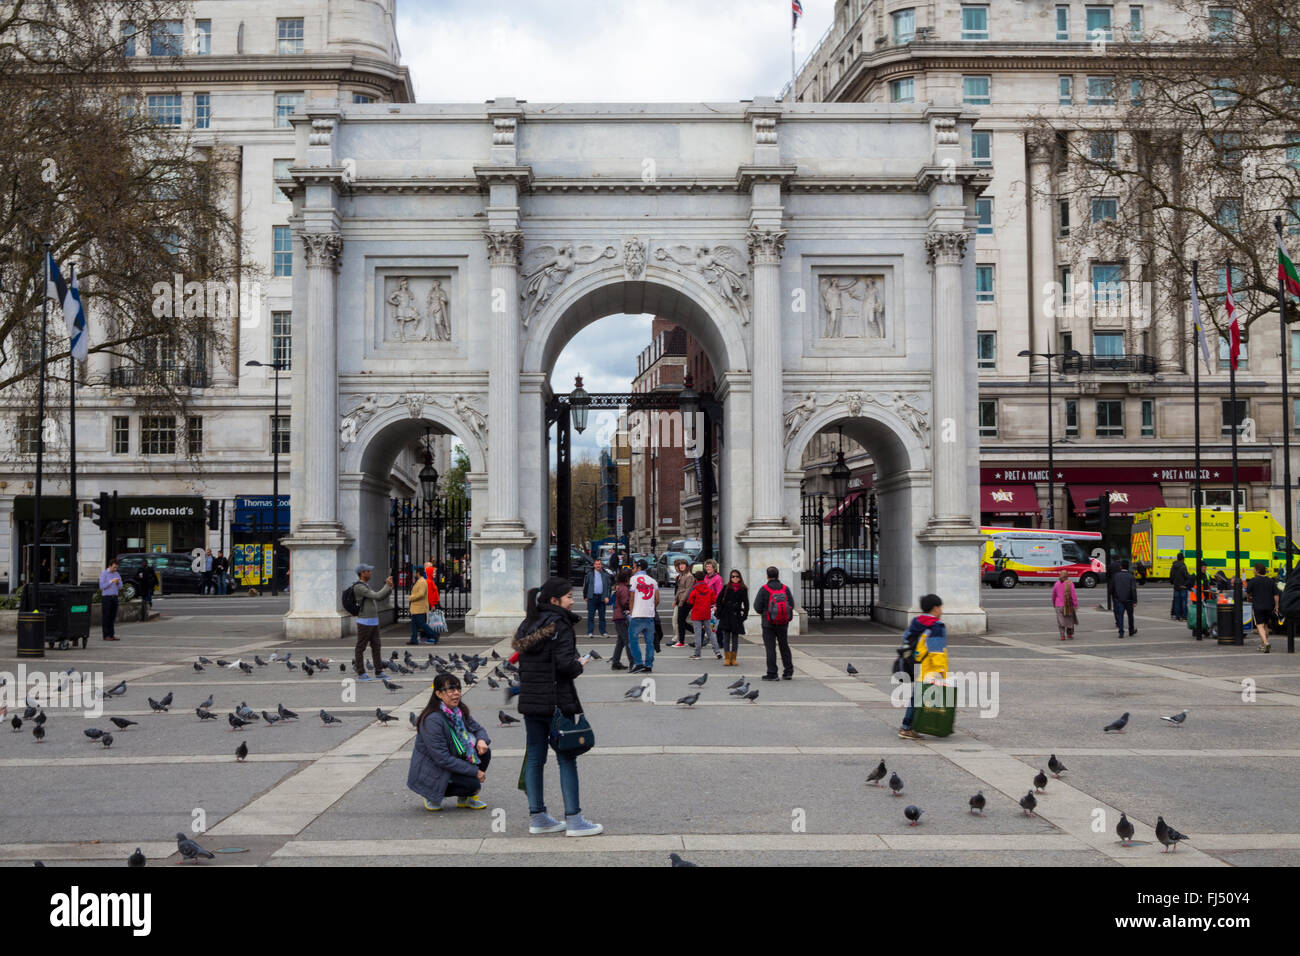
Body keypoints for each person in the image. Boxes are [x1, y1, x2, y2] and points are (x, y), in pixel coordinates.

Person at [513, 576, 602, 836]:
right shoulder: (560, 624)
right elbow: (565, 665)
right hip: (556, 700)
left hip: (531, 701)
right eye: (569, 597)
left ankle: (537, 816)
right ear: (555, 600)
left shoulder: (527, 624)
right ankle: (574, 818)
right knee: (566, 758)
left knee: (535, 757)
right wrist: (579, 664)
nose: (573, 602)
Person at [408, 673, 491, 811]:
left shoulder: (458, 711)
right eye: (451, 690)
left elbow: (478, 729)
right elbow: (442, 758)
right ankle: (430, 793)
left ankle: (465, 798)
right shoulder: (432, 720)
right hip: (433, 770)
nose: (456, 693)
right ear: (439, 694)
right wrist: (474, 771)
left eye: (458, 689)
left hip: (450, 760)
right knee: (473, 784)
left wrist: (482, 740)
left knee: (484, 752)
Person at [897, 594, 945, 740]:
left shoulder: (916, 621)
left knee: (918, 697)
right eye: (940, 607)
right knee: (920, 698)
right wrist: (940, 670)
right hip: (931, 667)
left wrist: (918, 651)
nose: (942, 610)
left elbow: (906, 637)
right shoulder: (936, 626)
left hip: (920, 663)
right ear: (935, 608)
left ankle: (910, 726)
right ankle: (908, 727)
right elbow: (936, 650)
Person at [350, 563, 394, 680]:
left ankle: (379, 671)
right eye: (368, 571)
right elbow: (377, 596)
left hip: (373, 621)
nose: (370, 573)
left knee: (376, 646)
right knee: (361, 647)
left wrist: (389, 588)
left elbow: (379, 597)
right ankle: (361, 672)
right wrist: (386, 585)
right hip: (364, 622)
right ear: (362, 573)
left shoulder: (366, 585)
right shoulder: (359, 587)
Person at [752, 566, 796, 681]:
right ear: (778, 575)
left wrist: (765, 612)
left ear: (767, 576)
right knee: (784, 646)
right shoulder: (785, 588)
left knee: (770, 648)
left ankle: (772, 673)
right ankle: (788, 671)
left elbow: (757, 607)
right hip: (783, 622)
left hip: (768, 623)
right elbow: (791, 604)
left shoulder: (764, 589)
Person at [627, 559, 659, 674]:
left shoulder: (634, 579)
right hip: (649, 615)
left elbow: (631, 596)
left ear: (639, 568)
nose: (633, 569)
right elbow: (657, 599)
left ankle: (639, 663)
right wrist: (651, 607)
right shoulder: (653, 581)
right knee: (649, 642)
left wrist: (631, 611)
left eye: (634, 567)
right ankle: (649, 665)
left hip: (637, 614)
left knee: (633, 640)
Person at [687, 569, 722, 661]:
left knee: (698, 635)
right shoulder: (709, 589)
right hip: (706, 613)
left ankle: (697, 653)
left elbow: (690, 601)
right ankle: (717, 652)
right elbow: (713, 600)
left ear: (695, 578)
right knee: (710, 633)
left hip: (696, 614)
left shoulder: (694, 589)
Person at [716, 569, 749, 666]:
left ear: (740, 578)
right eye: (733, 576)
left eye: (737, 576)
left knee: (735, 638)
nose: (735, 578)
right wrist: (720, 611)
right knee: (726, 637)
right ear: (730, 578)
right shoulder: (726, 587)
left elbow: (746, 603)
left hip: (737, 615)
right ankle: (727, 658)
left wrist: (745, 615)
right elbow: (718, 599)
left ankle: (733, 658)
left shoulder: (743, 588)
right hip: (726, 615)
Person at [1247, 563, 1278, 653]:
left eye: (1254, 569)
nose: (1253, 571)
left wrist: (1249, 598)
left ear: (1257, 571)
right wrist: (1276, 606)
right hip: (1269, 606)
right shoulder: (1270, 581)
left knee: (1259, 625)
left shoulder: (1253, 581)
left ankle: (1265, 642)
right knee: (1266, 626)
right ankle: (1262, 645)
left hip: (1258, 606)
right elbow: (1276, 595)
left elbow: (1248, 593)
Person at [408, 562, 441, 645]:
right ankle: (414, 639)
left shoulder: (422, 582)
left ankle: (434, 635)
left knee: (421, 624)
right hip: (416, 607)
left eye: (415, 572)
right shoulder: (420, 581)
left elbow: (421, 594)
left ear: (418, 573)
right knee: (414, 624)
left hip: (419, 607)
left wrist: (411, 597)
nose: (414, 574)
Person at [582, 558, 612, 638]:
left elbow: (609, 587)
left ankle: (603, 632)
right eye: (596, 564)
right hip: (592, 597)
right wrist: (585, 596)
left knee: (602, 616)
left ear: (601, 565)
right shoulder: (589, 574)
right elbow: (586, 586)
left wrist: (607, 596)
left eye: (599, 564)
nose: (598, 565)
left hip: (602, 597)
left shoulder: (605, 575)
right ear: (594, 565)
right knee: (591, 616)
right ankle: (590, 632)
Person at [610, 568, 634, 670]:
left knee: (620, 641)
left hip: (618, 616)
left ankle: (615, 662)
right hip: (622, 617)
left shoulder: (621, 587)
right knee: (628, 641)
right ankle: (633, 662)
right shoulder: (624, 588)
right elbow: (625, 603)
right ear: (627, 578)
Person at [1110, 559, 1137, 639]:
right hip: (1129, 599)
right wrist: (1135, 600)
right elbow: (1133, 589)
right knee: (1130, 616)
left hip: (1119, 599)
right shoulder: (1131, 576)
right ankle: (1131, 630)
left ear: (1121, 566)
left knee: (1120, 615)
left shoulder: (1116, 576)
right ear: (1128, 567)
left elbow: (1112, 588)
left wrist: (1114, 597)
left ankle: (1121, 632)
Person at [99, 559, 123, 642]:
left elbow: (121, 586)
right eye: (114, 567)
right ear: (110, 566)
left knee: (112, 617)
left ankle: (111, 634)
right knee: (106, 616)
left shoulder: (117, 574)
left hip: (114, 597)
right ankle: (106, 635)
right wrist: (111, 581)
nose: (115, 569)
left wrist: (117, 583)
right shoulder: (104, 574)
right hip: (107, 597)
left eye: (116, 568)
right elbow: (101, 587)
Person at [1051, 569, 1078, 640]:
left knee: (1061, 621)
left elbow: (1053, 595)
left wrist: (1054, 603)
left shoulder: (1056, 584)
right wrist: (1075, 604)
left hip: (1058, 605)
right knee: (1069, 619)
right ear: (1067, 576)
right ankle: (1069, 634)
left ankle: (1062, 635)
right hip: (1068, 605)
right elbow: (1073, 595)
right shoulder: (1070, 583)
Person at [672, 557, 693, 648]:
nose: (681, 566)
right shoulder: (681, 575)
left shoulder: (689, 576)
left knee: (680, 620)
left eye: (683, 564)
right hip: (680, 600)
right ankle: (696, 632)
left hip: (686, 601)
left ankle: (681, 641)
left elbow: (687, 590)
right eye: (680, 565)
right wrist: (675, 600)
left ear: (687, 566)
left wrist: (681, 601)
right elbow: (679, 589)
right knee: (680, 621)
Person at [1169, 555, 1191, 622]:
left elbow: (1171, 577)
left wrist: (1174, 583)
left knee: (1177, 602)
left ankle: (1177, 617)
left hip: (1176, 587)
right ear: (1182, 559)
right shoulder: (1183, 566)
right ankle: (1184, 617)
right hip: (1183, 587)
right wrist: (1185, 584)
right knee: (1184, 602)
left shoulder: (1173, 566)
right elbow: (1187, 576)